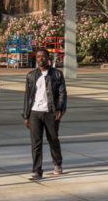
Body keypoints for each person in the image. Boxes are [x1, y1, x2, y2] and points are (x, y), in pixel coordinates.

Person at [22, 47, 67, 180]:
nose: (41, 59)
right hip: (35, 112)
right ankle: (36, 170)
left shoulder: (57, 74)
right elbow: (27, 96)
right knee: (35, 142)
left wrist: (60, 109)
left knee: (53, 139)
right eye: (38, 57)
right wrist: (26, 115)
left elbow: (62, 93)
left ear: (48, 59)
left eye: (43, 56)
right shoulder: (31, 75)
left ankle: (57, 164)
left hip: (50, 112)